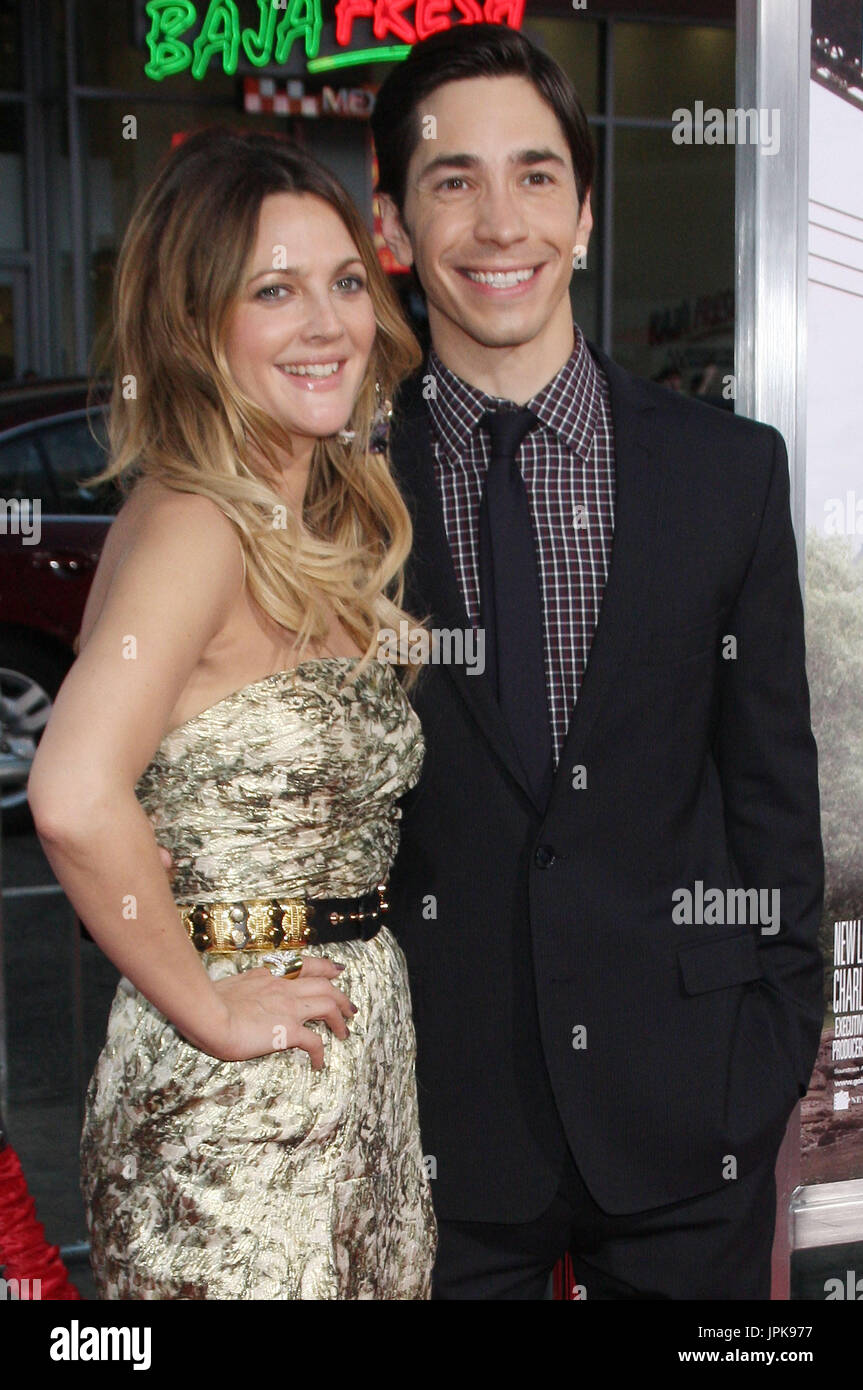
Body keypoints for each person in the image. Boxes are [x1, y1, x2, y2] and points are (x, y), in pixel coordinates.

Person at [365, 24, 823, 1299]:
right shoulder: (336, 489)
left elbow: (770, 799)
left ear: (580, 212)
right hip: (432, 1134)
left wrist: (770, 1046)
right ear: (394, 222)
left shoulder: (723, 471)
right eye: (451, 179)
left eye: (534, 175)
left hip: (692, 1118)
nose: (497, 220)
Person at [27, 127, 437, 1300]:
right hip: (235, 1116)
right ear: (197, 325)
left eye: (346, 281)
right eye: (274, 291)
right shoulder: (196, 524)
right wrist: (206, 1006)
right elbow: (69, 796)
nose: (328, 324)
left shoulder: (311, 513)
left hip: (345, 1073)